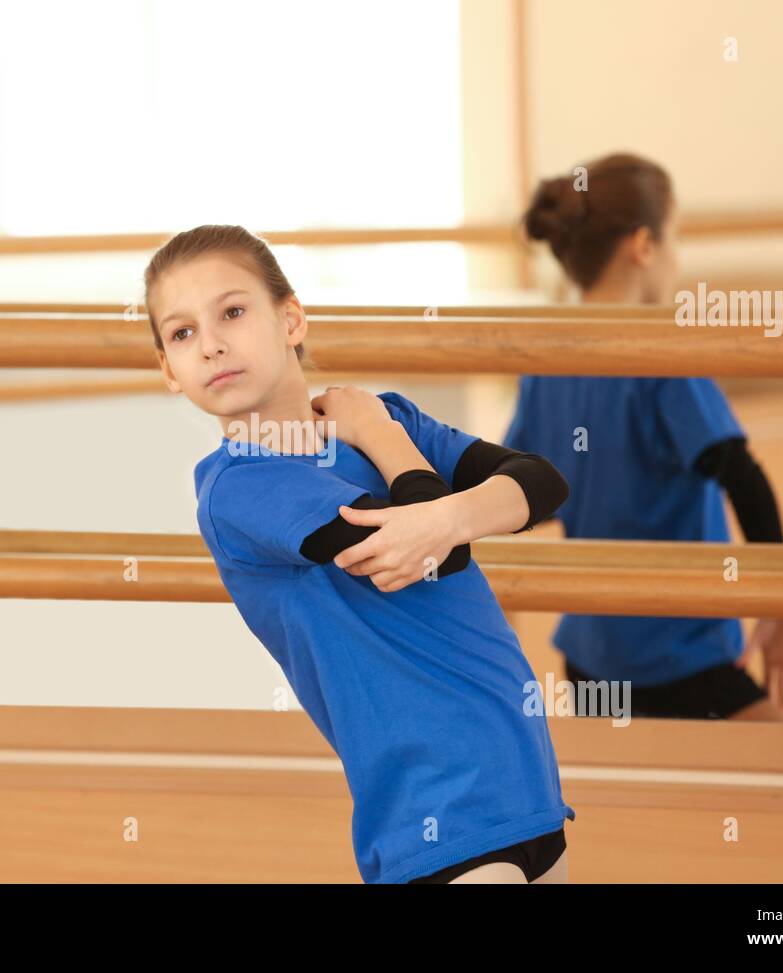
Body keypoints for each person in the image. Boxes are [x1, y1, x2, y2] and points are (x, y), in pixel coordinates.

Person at [145, 223, 574, 883]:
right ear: (169, 372)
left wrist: (437, 495)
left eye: (232, 311)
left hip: (522, 780)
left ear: (290, 318)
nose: (211, 344)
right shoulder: (237, 485)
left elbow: (542, 483)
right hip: (435, 809)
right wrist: (383, 437)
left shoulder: (390, 412)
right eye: (181, 333)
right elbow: (427, 551)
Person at [506, 152, 783, 720]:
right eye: (676, 237)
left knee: (638, 799)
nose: (678, 256)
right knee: (781, 787)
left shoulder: (545, 356)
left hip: (590, 657)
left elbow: (526, 494)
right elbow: (741, 475)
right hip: (683, 653)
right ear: (644, 246)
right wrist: (782, 603)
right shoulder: (662, 353)